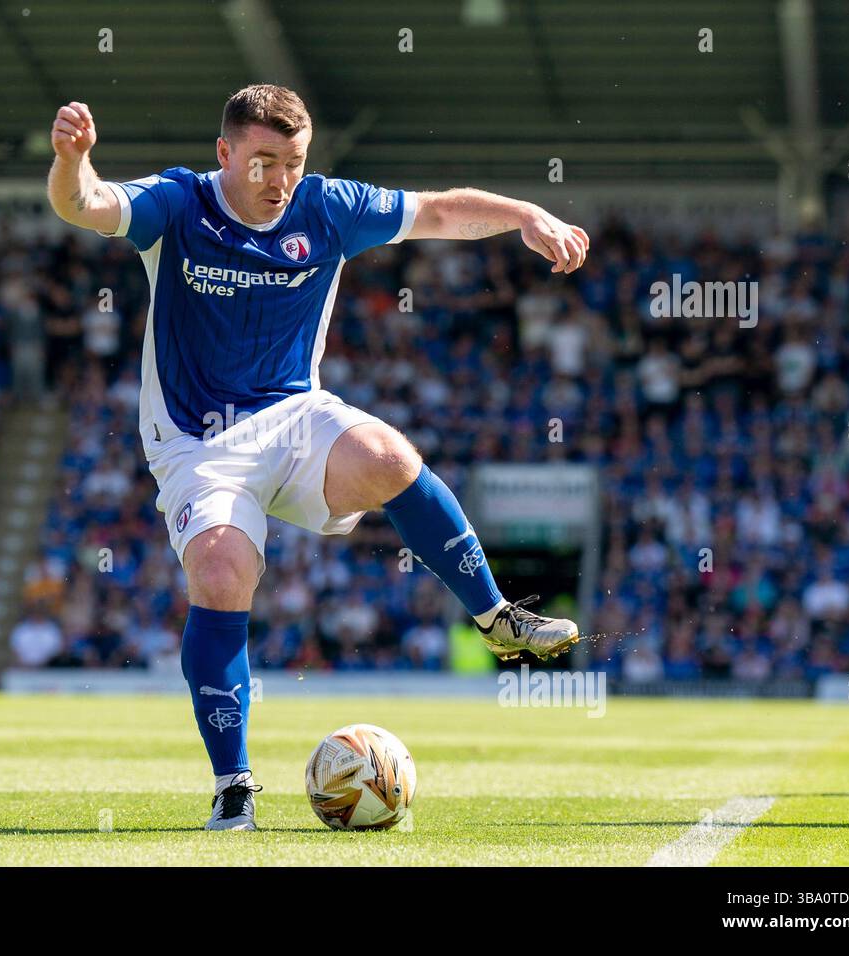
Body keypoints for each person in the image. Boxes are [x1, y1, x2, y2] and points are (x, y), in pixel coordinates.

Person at [46, 84, 589, 831]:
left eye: (293, 163)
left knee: (389, 455)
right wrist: (72, 162)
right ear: (225, 153)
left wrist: (527, 215)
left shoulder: (327, 207)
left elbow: (433, 211)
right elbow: (87, 206)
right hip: (199, 444)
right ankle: (233, 787)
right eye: (264, 162)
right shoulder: (178, 204)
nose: (280, 181)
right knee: (221, 571)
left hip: (293, 417)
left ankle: (495, 618)